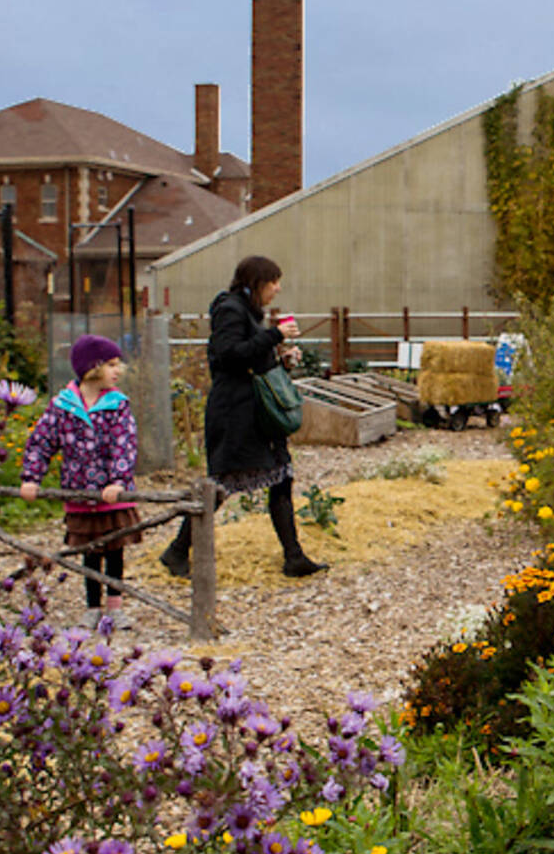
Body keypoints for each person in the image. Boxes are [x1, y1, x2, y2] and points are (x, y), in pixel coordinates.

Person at [158, 254, 329, 579]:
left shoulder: (248, 312)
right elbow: (229, 355)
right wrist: (275, 336)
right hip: (235, 415)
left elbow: (250, 355)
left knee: (281, 476)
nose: (278, 289)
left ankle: (294, 556)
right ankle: (176, 551)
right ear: (256, 283)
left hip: (254, 414)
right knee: (221, 485)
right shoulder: (230, 310)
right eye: (273, 282)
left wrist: (280, 356)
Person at [19, 334, 143, 630]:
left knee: (114, 549)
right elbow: (41, 442)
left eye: (118, 364)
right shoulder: (63, 406)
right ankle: (92, 606)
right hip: (79, 493)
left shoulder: (117, 405)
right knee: (89, 550)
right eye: (111, 364)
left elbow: (124, 444)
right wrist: (31, 477)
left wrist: (118, 480)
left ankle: (115, 605)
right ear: (92, 367)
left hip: (111, 494)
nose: (117, 370)